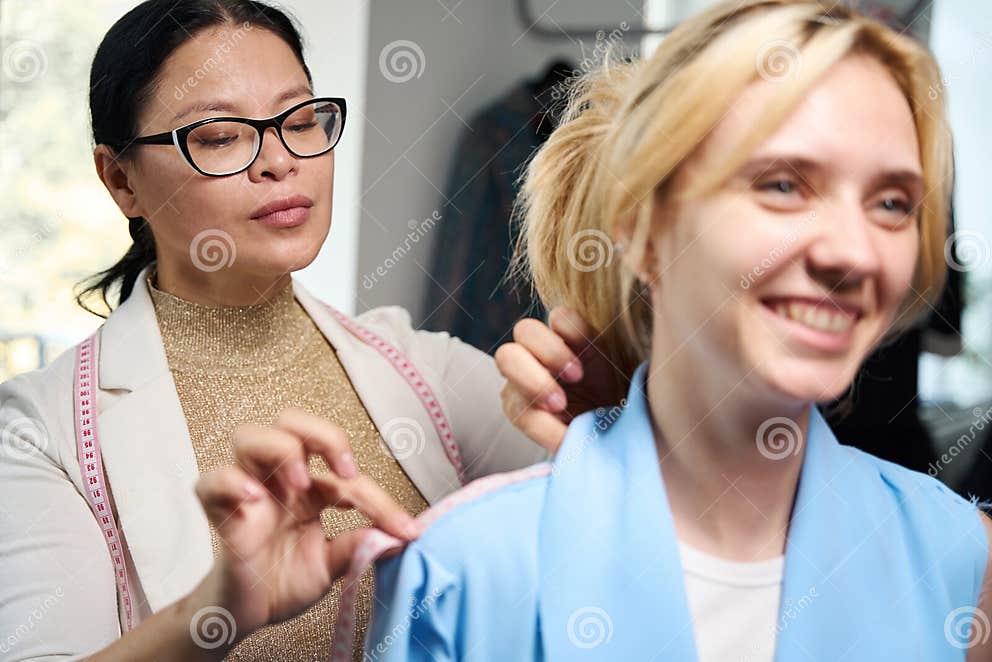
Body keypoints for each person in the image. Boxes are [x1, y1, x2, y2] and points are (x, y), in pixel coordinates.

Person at [360, 1, 992, 660]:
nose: (853, 253)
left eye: (891, 203)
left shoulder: (960, 560)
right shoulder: (463, 575)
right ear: (643, 228)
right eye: (782, 185)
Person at [0, 1, 623, 659]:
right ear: (121, 180)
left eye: (299, 121)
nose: (279, 160)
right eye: (220, 136)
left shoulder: (423, 367)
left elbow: (625, 533)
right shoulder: (42, 433)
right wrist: (214, 612)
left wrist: (615, 425)